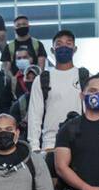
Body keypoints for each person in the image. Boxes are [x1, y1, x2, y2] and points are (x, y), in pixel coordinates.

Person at [26, 29, 90, 164]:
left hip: (81, 142)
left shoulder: (85, 77)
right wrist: (34, 147)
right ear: (52, 50)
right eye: (59, 44)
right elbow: (34, 115)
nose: (64, 47)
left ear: (75, 49)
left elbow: (93, 111)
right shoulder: (42, 79)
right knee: (51, 185)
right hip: (50, 145)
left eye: (68, 43)